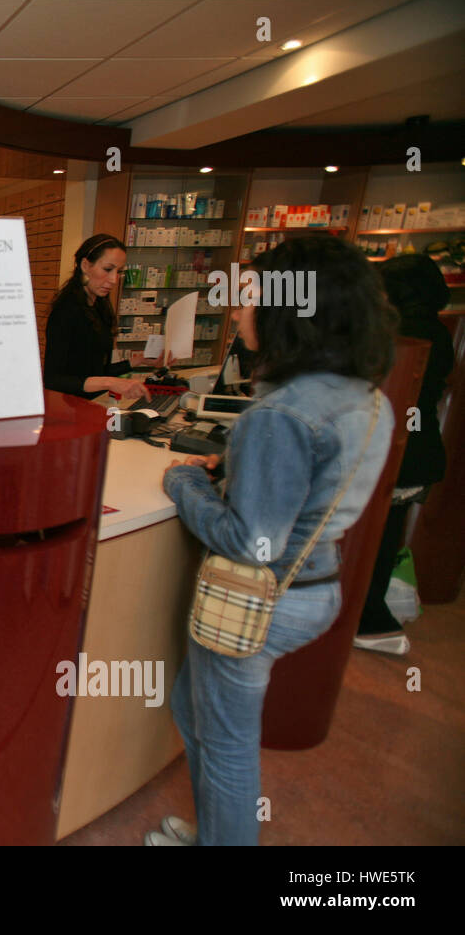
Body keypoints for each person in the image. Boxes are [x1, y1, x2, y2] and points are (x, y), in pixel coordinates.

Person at [152, 235, 395, 845]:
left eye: (250, 296)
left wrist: (186, 484)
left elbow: (250, 541)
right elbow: (314, 491)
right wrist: (235, 475)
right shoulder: (364, 397)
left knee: (228, 745)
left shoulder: (280, 414)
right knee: (192, 709)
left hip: (261, 602)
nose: (238, 310)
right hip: (316, 585)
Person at [355, 253, 455, 655]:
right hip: (419, 451)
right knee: (383, 539)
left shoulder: (402, 336)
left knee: (372, 545)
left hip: (399, 453)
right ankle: (372, 616)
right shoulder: (436, 330)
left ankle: (371, 620)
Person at [44, 233, 158, 401]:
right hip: (70, 409)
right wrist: (110, 383)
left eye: (118, 272)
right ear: (85, 265)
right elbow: (53, 380)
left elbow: (96, 371)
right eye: (107, 269)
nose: (113, 279)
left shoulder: (99, 306)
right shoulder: (66, 311)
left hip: (95, 403)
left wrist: (136, 362)